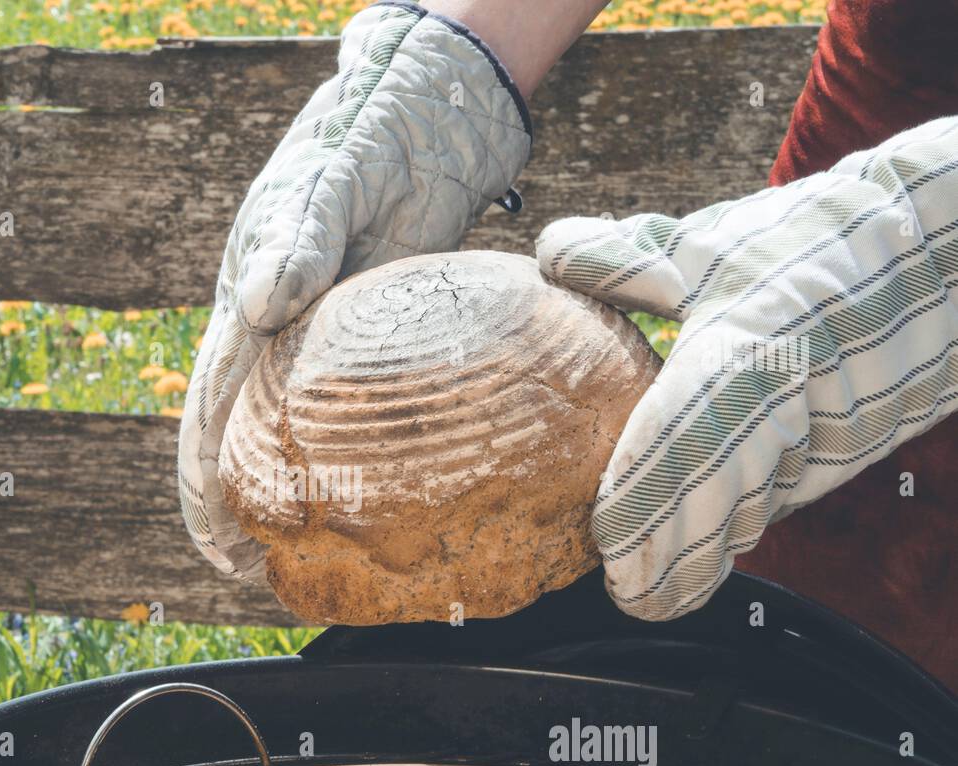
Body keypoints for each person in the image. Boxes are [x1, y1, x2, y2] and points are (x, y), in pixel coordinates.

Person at [178, 0, 958, 691]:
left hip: (879, 238)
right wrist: (456, 54)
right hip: (857, 164)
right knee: (811, 693)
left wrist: (926, 241)